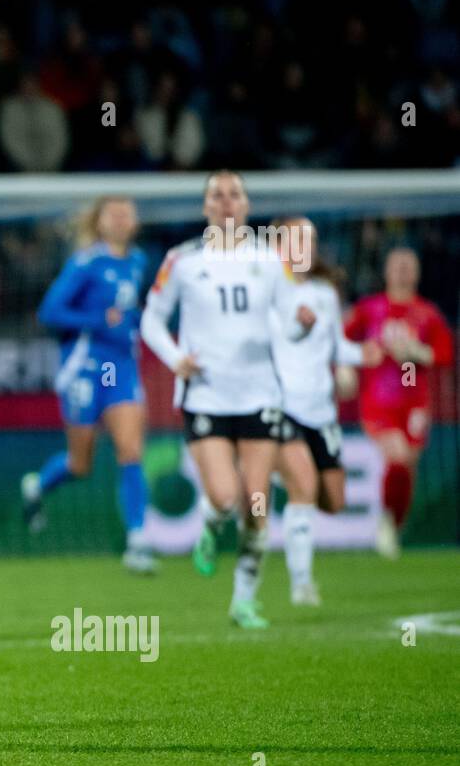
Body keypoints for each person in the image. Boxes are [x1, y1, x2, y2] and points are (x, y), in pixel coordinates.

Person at [140, 170, 315, 629]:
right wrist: (175, 357)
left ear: (246, 205)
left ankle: (243, 600)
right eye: (216, 195)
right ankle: (211, 522)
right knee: (224, 496)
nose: (226, 202)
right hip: (206, 396)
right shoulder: (181, 261)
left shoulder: (270, 260)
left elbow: (290, 324)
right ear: (205, 208)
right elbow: (152, 320)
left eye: (234, 194)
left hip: (259, 395)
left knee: (256, 501)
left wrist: (304, 322)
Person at [21, 196, 155, 574]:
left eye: (128, 212)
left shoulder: (139, 261)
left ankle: (138, 542)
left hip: (123, 367)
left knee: (130, 450)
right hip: (84, 367)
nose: (122, 218)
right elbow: (50, 311)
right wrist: (99, 319)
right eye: (114, 213)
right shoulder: (86, 262)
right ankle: (38, 485)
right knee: (81, 464)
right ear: (100, 222)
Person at [270, 217, 382, 606]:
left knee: (332, 500)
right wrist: (299, 328)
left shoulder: (325, 293)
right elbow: (284, 335)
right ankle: (302, 583)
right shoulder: (269, 291)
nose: (307, 246)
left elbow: (334, 346)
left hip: (321, 409)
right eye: (298, 239)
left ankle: (266, 473)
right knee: (303, 487)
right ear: (281, 246)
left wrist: (361, 355)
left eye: (311, 240)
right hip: (282, 406)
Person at [344, 248, 455, 558]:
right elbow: (342, 340)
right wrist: (346, 369)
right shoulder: (370, 309)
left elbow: (444, 354)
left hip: (414, 401)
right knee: (397, 454)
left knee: (405, 466)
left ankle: (393, 524)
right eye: (398, 266)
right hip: (379, 400)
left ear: (417, 273)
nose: (404, 272)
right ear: (387, 272)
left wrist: (417, 353)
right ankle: (387, 525)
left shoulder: (426, 314)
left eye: (409, 266)